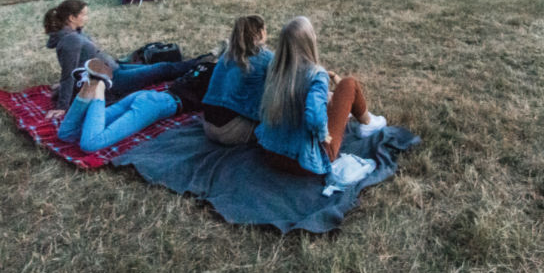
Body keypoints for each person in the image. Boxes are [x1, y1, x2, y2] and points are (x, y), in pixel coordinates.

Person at [256, 17, 386, 176]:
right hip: (304, 161)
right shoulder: (316, 75)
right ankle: (368, 123)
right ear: (309, 42)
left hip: (271, 153)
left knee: (328, 101)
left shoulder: (275, 69)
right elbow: (315, 119)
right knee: (349, 84)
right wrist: (326, 136)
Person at [43, 0, 209, 119]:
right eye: (84, 15)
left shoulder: (74, 33)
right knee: (162, 69)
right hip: (114, 80)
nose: (87, 18)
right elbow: (68, 72)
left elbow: (77, 66)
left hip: (115, 68)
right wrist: (62, 106)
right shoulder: (71, 40)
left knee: (159, 66)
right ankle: (205, 61)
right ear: (72, 18)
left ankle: (202, 61)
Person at [56, 57, 214, 152]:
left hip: (147, 96)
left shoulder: (205, 66)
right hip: (158, 105)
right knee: (90, 144)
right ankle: (100, 85)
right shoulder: (220, 77)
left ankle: (89, 86)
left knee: (66, 134)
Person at [201, 15, 274, 145]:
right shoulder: (265, 57)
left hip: (207, 125)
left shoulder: (226, 56)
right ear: (260, 32)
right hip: (231, 130)